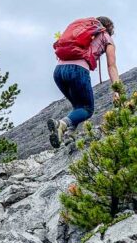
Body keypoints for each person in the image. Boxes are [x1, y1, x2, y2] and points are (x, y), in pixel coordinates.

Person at [47, 16, 120, 148]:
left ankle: (69, 135)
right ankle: (61, 124)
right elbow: (111, 66)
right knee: (87, 109)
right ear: (109, 29)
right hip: (78, 70)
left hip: (58, 71)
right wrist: (117, 90)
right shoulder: (106, 37)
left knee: (78, 107)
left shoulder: (83, 30)